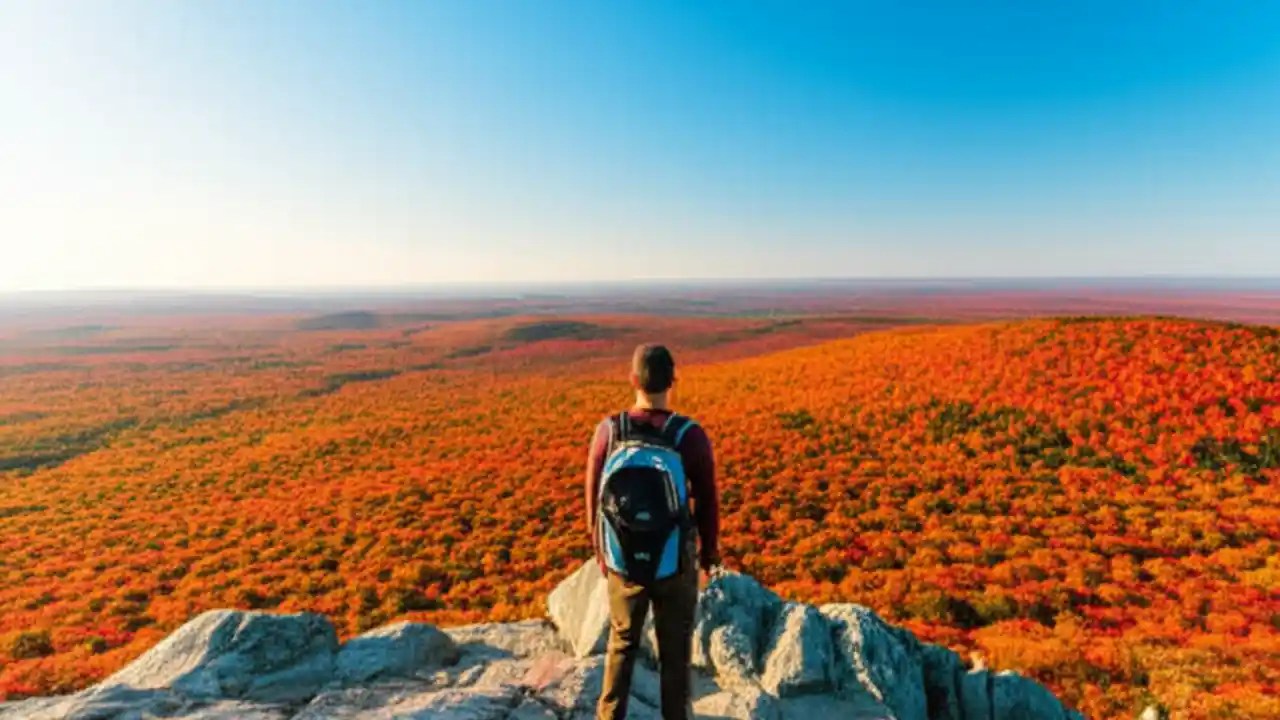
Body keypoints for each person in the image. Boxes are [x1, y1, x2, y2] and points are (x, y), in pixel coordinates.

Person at [586, 343, 720, 720]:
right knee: (674, 653)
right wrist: (708, 557)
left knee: (622, 642)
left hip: (623, 559)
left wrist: (601, 551)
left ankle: (609, 716)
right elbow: (707, 502)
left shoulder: (609, 431)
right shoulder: (688, 435)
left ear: (633, 380)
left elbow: (594, 498)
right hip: (675, 560)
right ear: (673, 381)